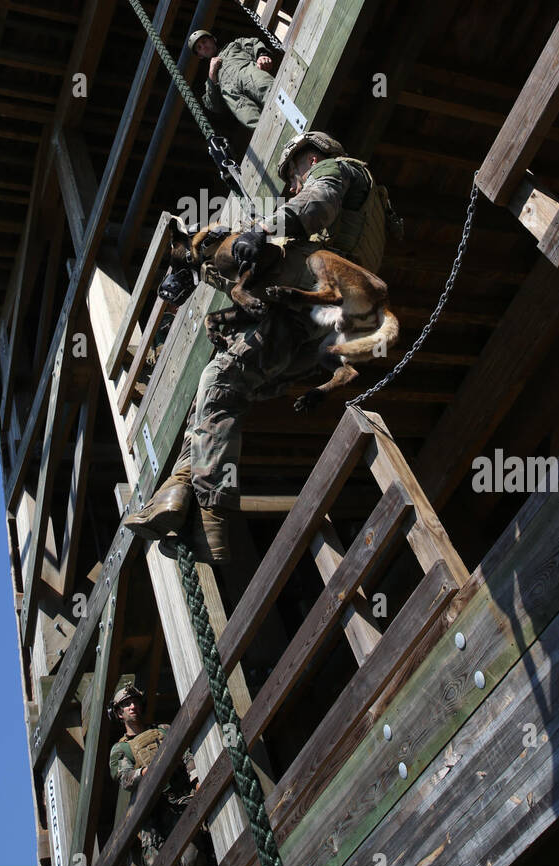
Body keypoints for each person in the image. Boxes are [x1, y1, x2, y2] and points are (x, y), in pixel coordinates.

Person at [125, 133, 392, 565]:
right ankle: (179, 489)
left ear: (313, 156)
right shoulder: (372, 206)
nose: (292, 184)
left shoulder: (337, 169)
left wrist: (261, 230)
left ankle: (209, 518)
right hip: (319, 324)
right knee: (223, 385)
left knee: (219, 380)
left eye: (292, 174)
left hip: (319, 289)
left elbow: (316, 203)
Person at [107, 685, 207, 866]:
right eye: (126, 704)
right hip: (153, 815)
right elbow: (125, 778)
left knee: (192, 858)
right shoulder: (121, 749)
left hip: (181, 802)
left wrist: (196, 779)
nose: (132, 707)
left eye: (135, 702)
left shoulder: (164, 730)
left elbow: (185, 755)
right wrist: (144, 772)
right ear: (119, 713)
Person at [188, 28, 275, 132]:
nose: (204, 47)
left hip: (252, 77)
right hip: (238, 102)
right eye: (199, 47)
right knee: (256, 125)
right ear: (200, 55)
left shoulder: (234, 45)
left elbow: (253, 43)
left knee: (273, 95)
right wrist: (212, 75)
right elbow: (215, 106)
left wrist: (261, 55)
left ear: (213, 39)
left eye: (204, 41)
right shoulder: (210, 81)